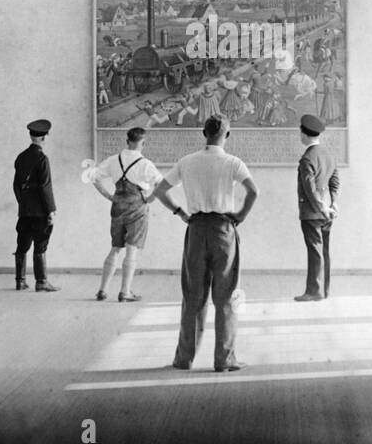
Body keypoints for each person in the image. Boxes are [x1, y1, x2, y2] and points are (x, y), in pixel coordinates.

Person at [151, 115, 259, 372]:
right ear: (227, 135)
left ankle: (183, 359)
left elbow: (159, 191)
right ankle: (224, 359)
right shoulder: (233, 162)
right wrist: (241, 216)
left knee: (193, 296)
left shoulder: (187, 162)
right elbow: (253, 191)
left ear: (203, 132)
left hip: (196, 229)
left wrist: (180, 213)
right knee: (226, 295)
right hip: (223, 230)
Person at [90, 126, 163, 302]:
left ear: (127, 141)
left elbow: (93, 176)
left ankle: (102, 290)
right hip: (137, 208)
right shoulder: (145, 164)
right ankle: (125, 292)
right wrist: (151, 199)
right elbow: (161, 184)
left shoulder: (113, 159)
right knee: (131, 249)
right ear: (143, 143)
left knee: (115, 248)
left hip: (117, 206)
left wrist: (108, 195)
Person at [295, 113, 340, 302]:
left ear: (305, 134)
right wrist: (333, 203)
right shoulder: (328, 154)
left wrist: (321, 207)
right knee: (324, 252)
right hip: (327, 212)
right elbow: (335, 181)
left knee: (315, 252)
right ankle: (324, 290)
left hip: (312, 213)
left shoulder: (307, 158)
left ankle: (314, 291)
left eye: (300, 132)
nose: (300, 135)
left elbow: (310, 189)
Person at [13, 119, 59, 292]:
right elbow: (45, 187)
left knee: (22, 244)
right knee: (40, 245)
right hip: (40, 211)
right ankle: (41, 282)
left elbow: (16, 185)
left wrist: (23, 203)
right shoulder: (42, 158)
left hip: (25, 210)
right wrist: (51, 210)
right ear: (44, 137)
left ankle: (20, 281)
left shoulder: (21, 157)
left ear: (31, 136)